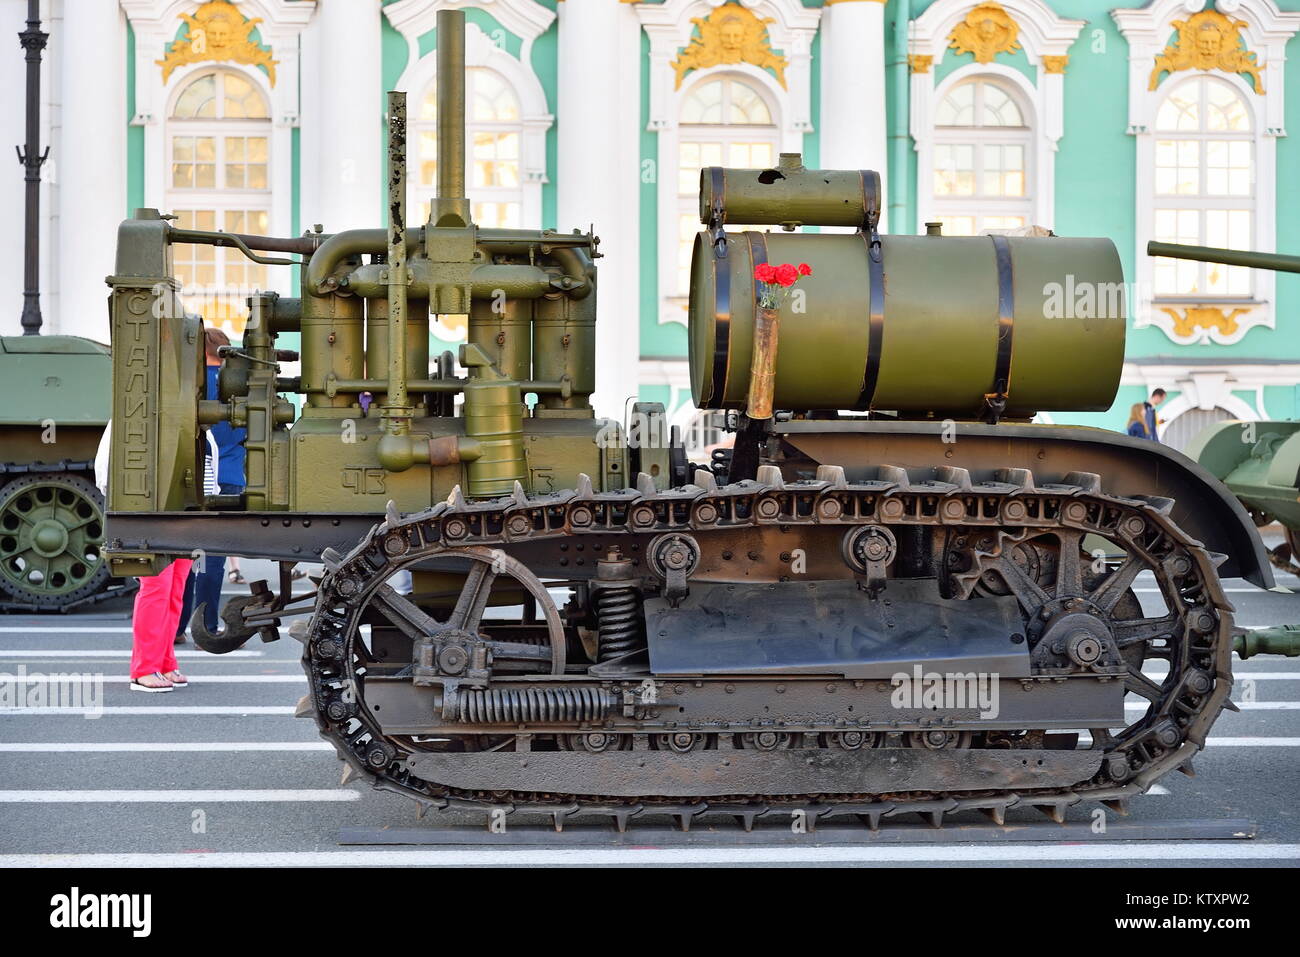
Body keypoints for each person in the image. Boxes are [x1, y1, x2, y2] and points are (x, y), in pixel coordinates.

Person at [177, 328, 247, 642]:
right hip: (229, 477)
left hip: (194, 477)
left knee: (181, 557)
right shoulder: (240, 385)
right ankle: (205, 625)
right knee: (212, 558)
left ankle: (176, 626)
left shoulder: (191, 383)